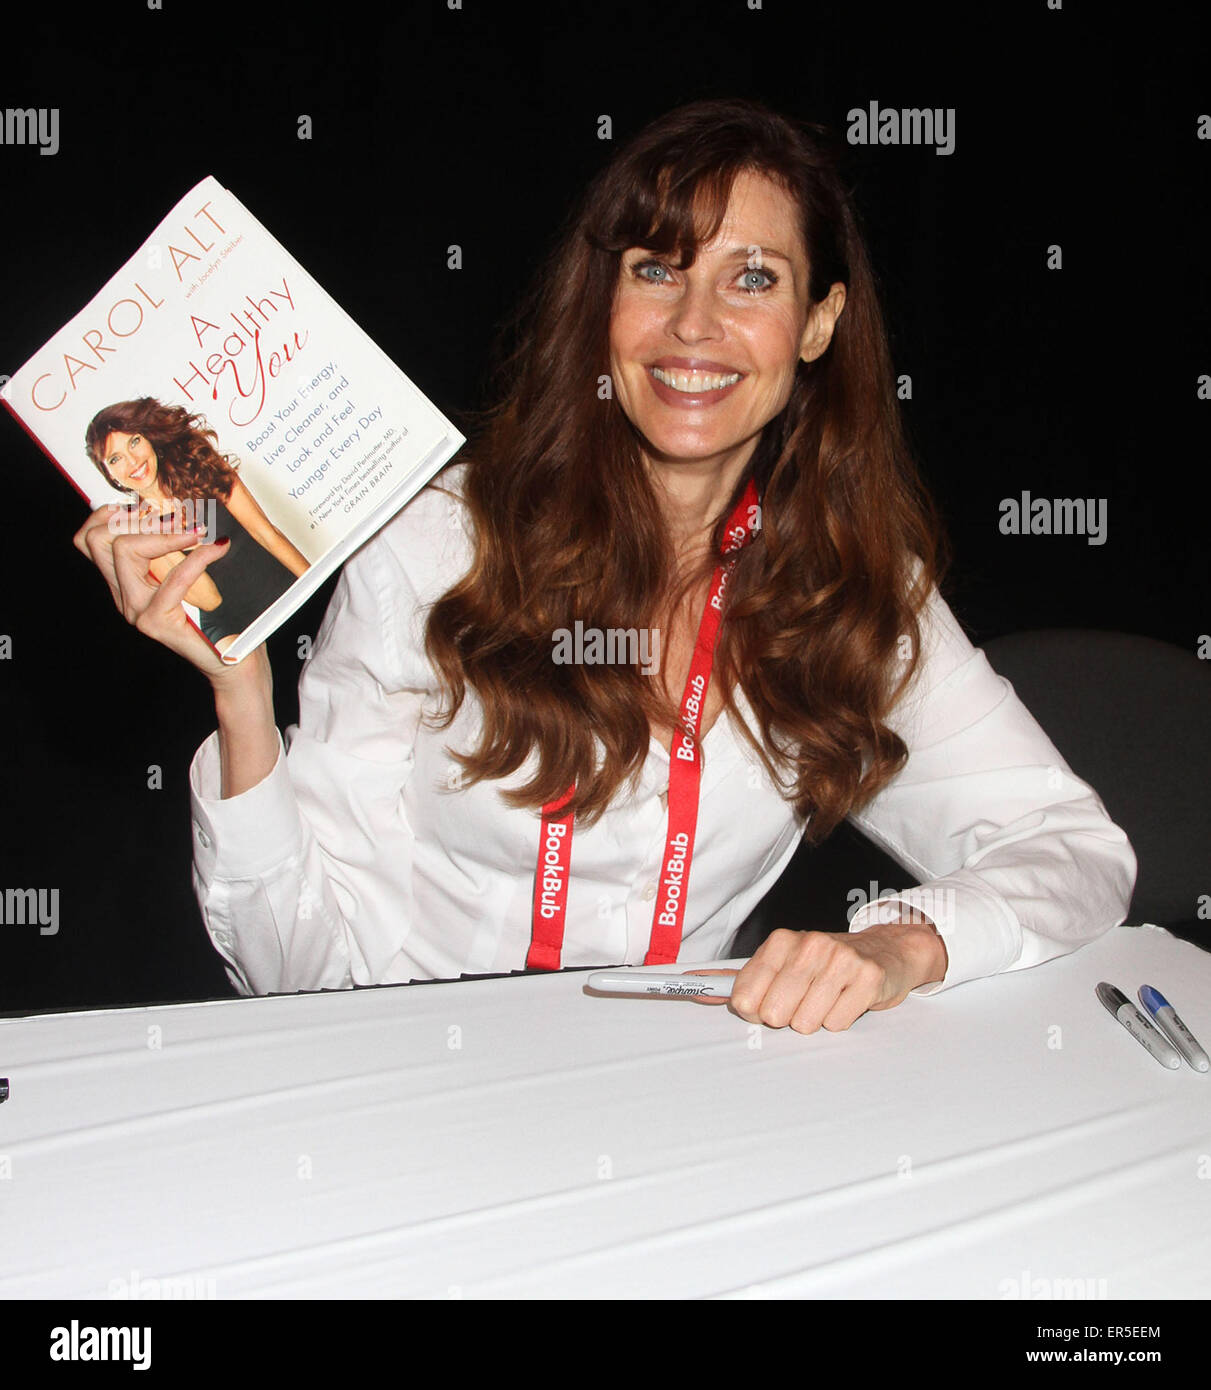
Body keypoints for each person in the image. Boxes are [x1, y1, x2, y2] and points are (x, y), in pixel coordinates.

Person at [72, 99, 1135, 1032]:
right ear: (603, 305)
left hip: (670, 1103)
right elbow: (289, 971)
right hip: (405, 1091)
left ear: (818, 325)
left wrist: (896, 947)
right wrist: (241, 696)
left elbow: (1075, 852)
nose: (693, 325)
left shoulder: (849, 587)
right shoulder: (435, 543)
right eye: (656, 269)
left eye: (751, 278)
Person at [84, 398, 310, 653]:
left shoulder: (199, 466)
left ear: (149, 438)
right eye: (115, 459)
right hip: (229, 619)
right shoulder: (138, 533)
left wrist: (314, 582)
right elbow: (209, 598)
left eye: (134, 441)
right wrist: (154, 531)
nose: (132, 461)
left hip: (275, 581)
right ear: (109, 475)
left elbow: (266, 532)